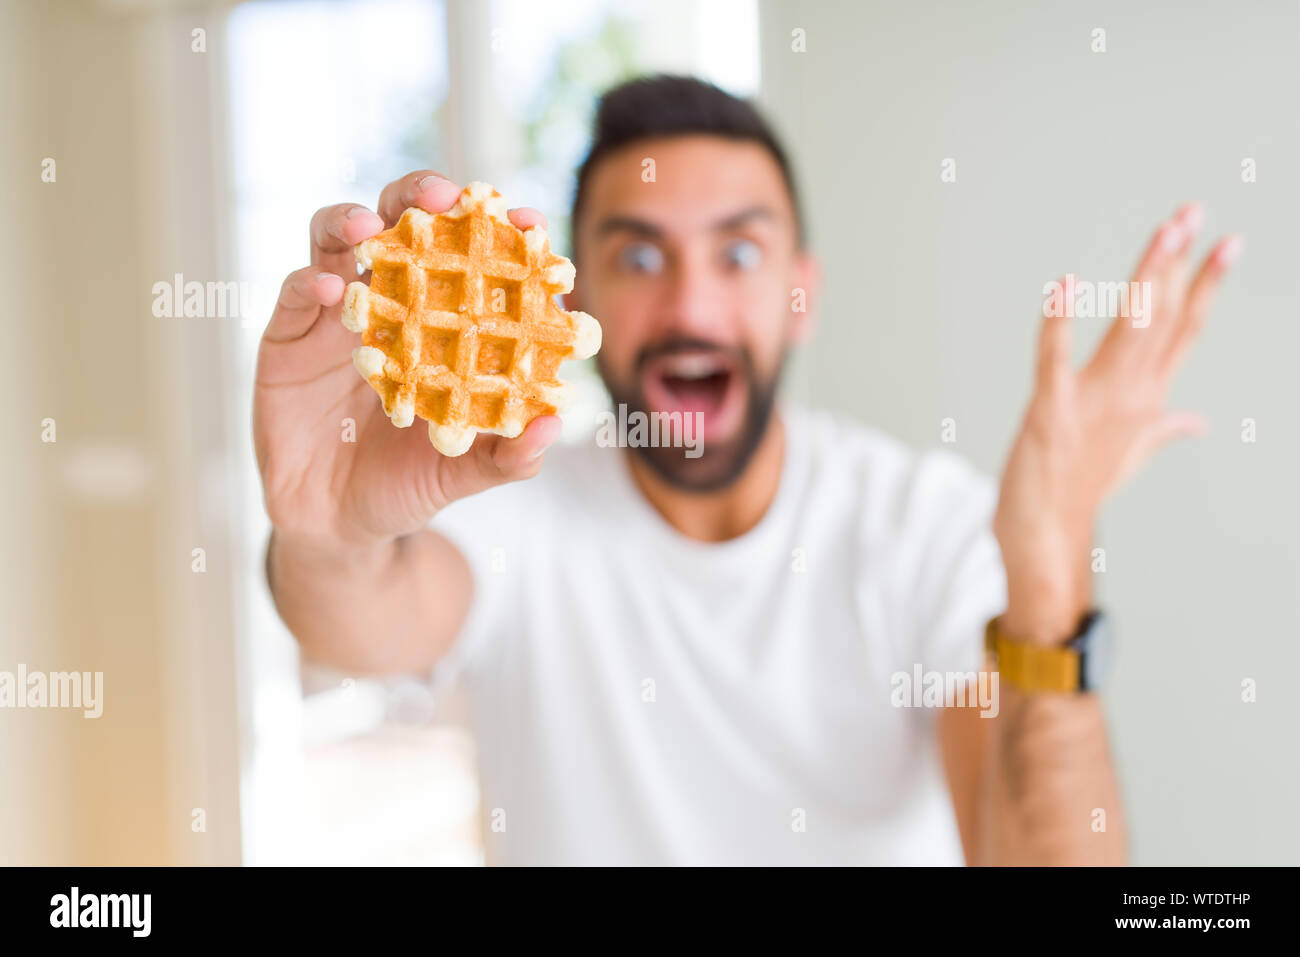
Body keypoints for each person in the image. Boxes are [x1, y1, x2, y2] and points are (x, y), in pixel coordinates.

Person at [253, 75, 1241, 866]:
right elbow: (366, 622)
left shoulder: (923, 525)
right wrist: (330, 533)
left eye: (737, 255)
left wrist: (1051, 566)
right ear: (573, 298)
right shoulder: (518, 501)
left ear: (800, 294)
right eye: (640, 259)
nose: (691, 308)